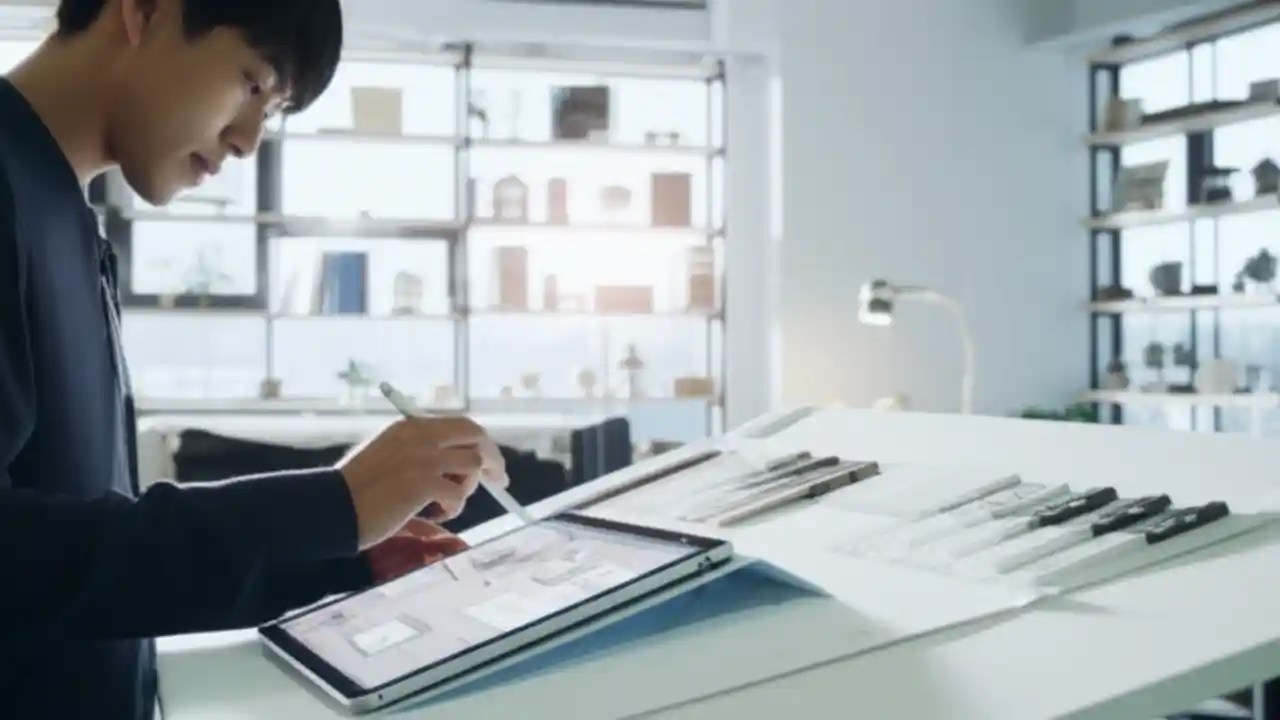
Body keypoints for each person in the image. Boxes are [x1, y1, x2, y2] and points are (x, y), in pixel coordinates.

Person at [0, 1, 508, 717]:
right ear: (143, 11)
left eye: (275, 110)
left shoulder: (61, 211)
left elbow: (85, 550)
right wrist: (332, 505)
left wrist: (338, 556)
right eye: (253, 83)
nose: (248, 141)